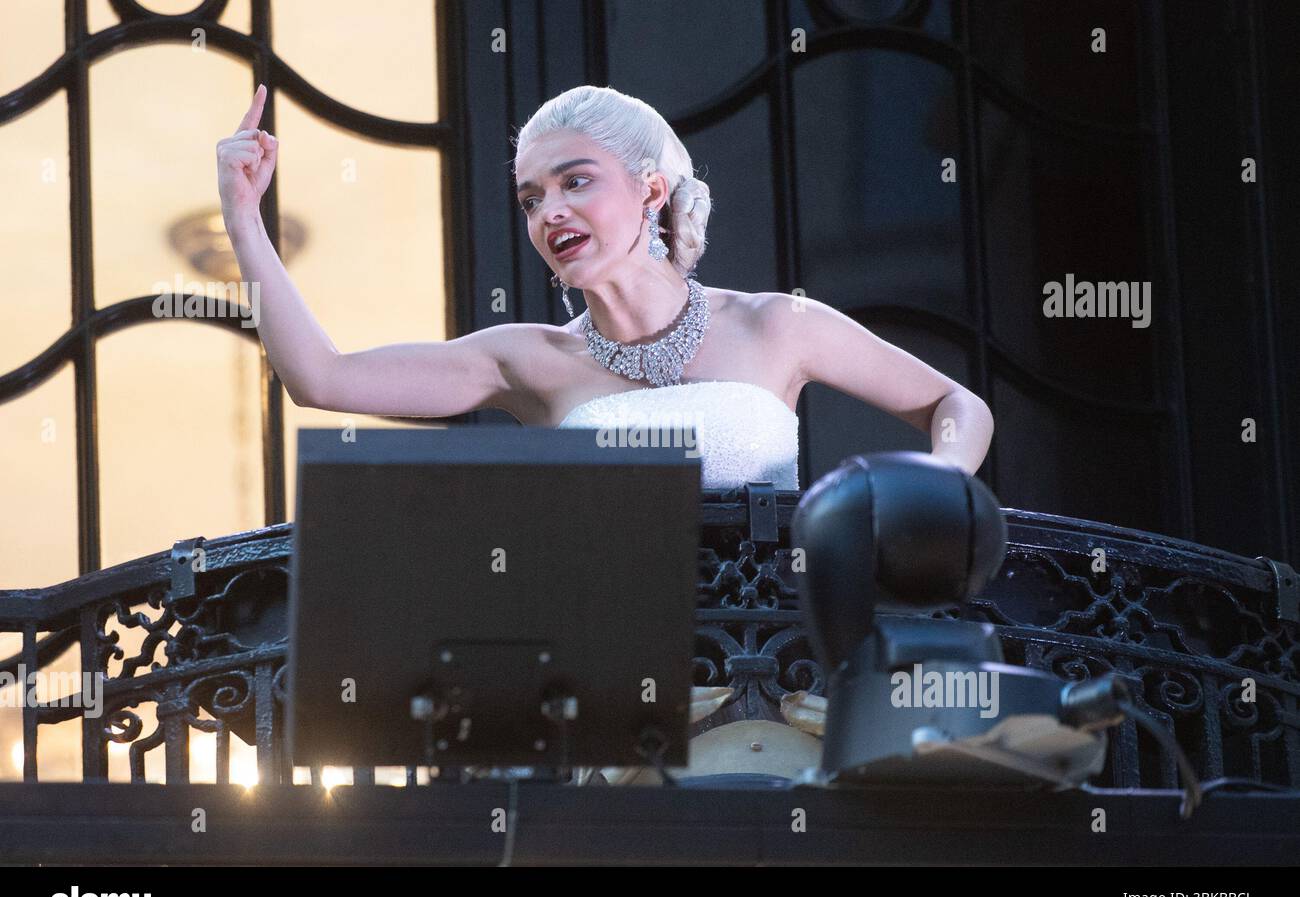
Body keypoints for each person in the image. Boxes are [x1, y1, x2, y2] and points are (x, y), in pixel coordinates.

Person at [217, 83, 994, 786]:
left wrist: (928, 502)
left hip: (779, 688)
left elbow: (955, 404)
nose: (548, 212)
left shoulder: (775, 324)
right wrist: (246, 222)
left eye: (574, 181)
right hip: (618, 712)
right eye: (530, 199)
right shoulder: (530, 360)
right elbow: (322, 378)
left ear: (651, 189)